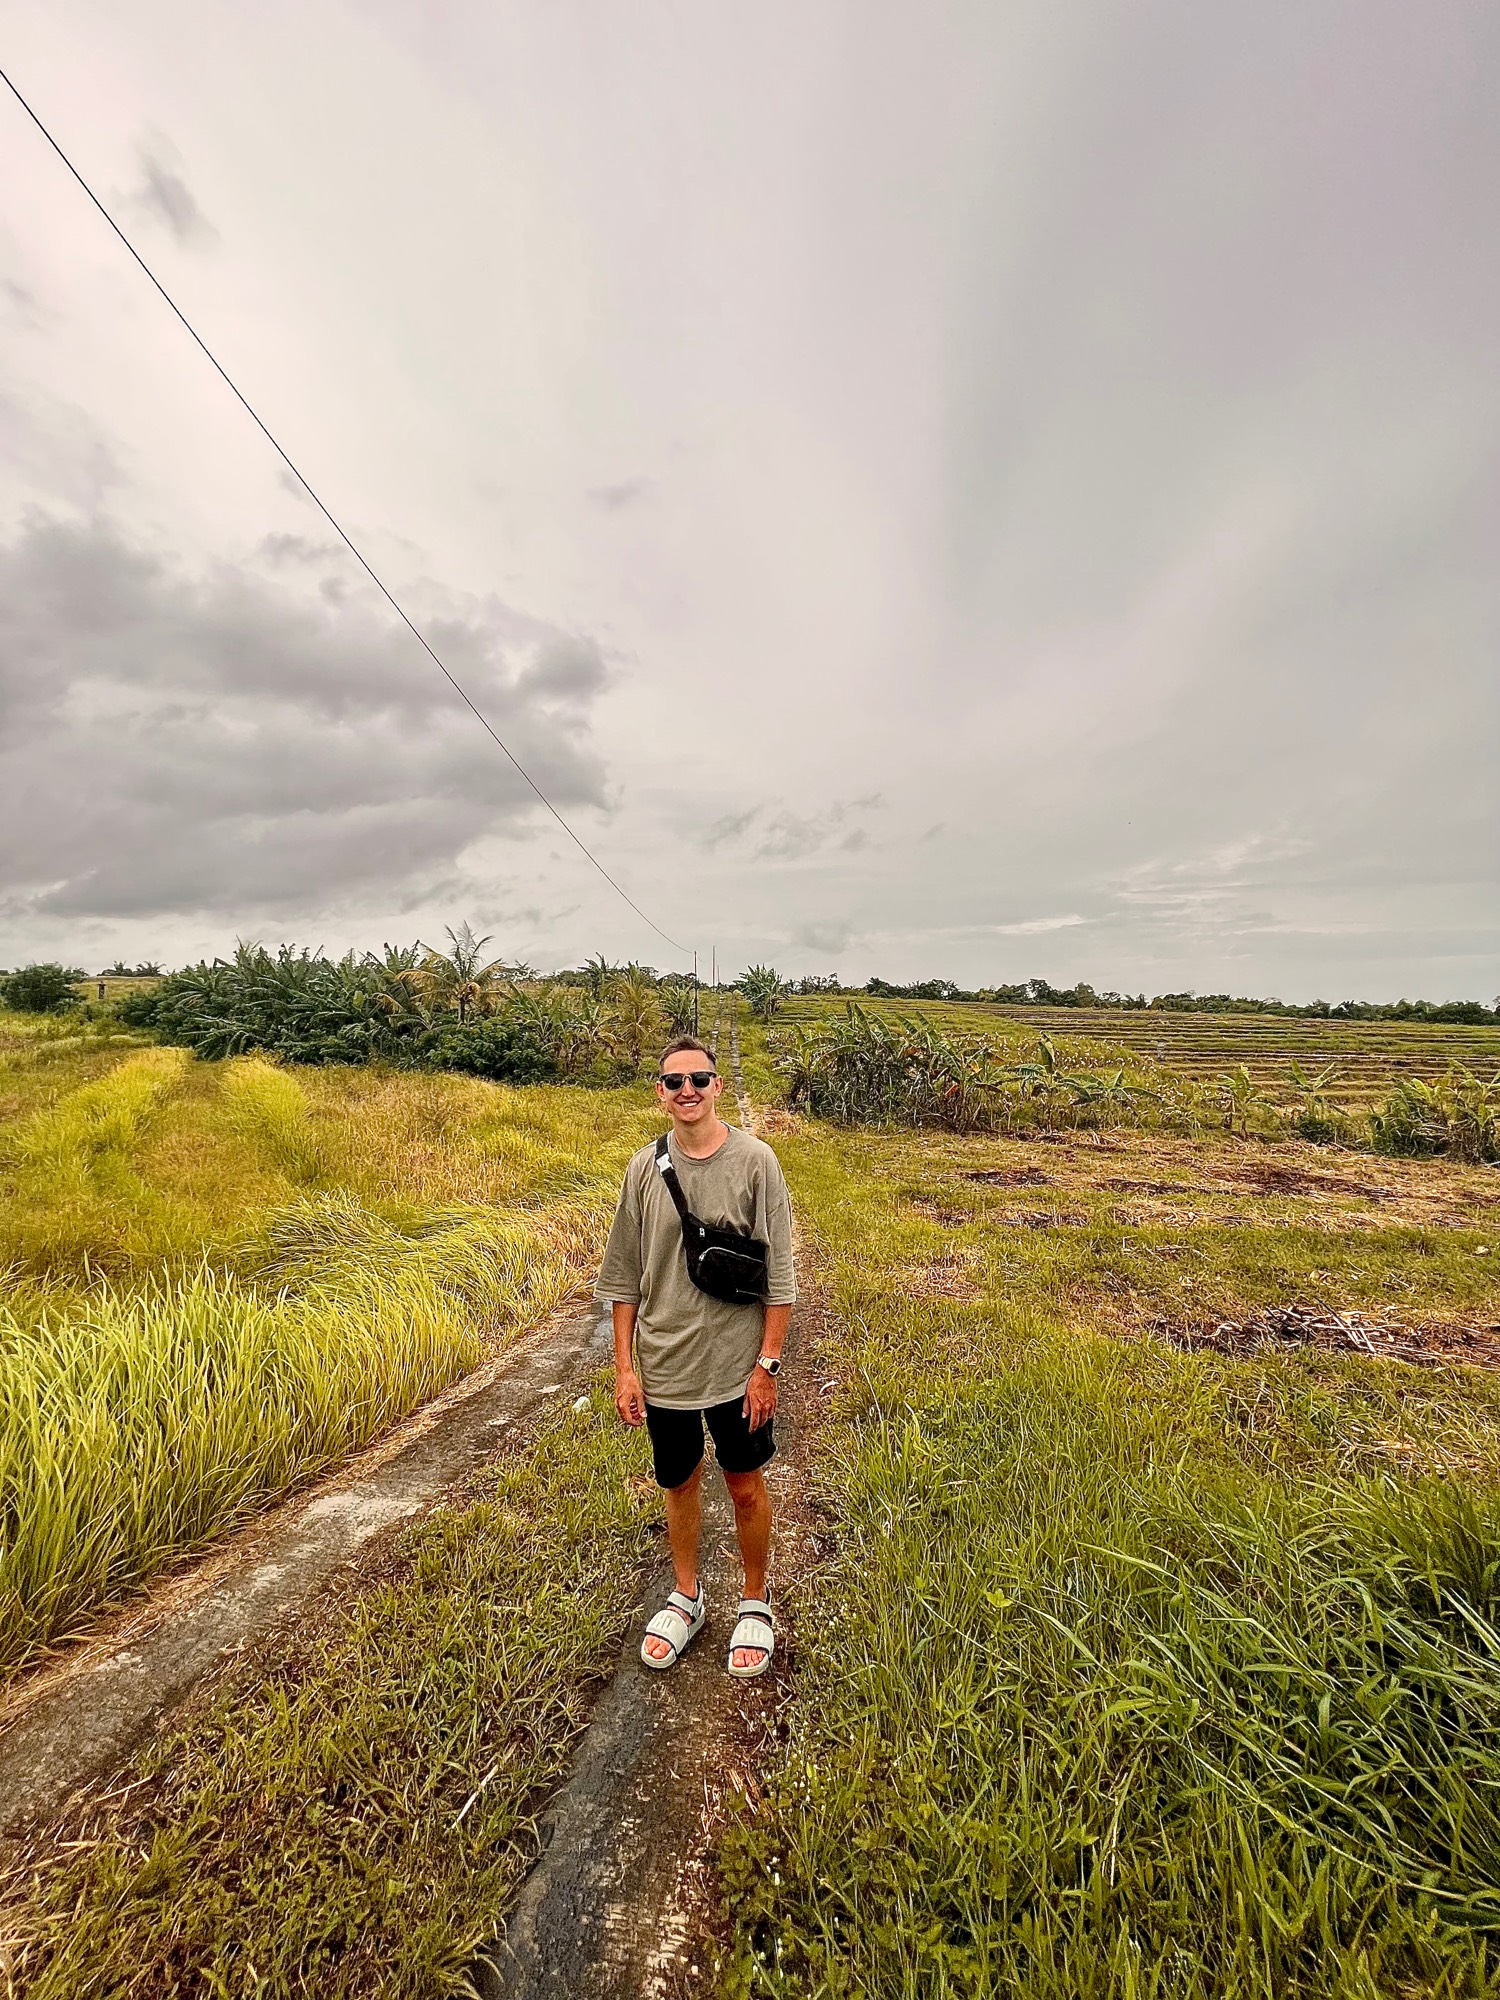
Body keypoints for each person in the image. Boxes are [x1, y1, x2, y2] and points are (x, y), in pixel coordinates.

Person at [597, 1036, 796, 1677]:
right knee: (678, 1482)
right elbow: (625, 1276)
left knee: (743, 1484)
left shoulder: (757, 1161)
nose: (688, 1091)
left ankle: (755, 1599)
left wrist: (766, 1368)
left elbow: (781, 1277)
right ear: (659, 1093)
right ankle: (688, 1593)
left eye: (700, 1079)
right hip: (665, 1365)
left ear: (716, 1087)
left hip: (737, 1366)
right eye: (675, 1081)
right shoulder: (641, 1170)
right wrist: (626, 1368)